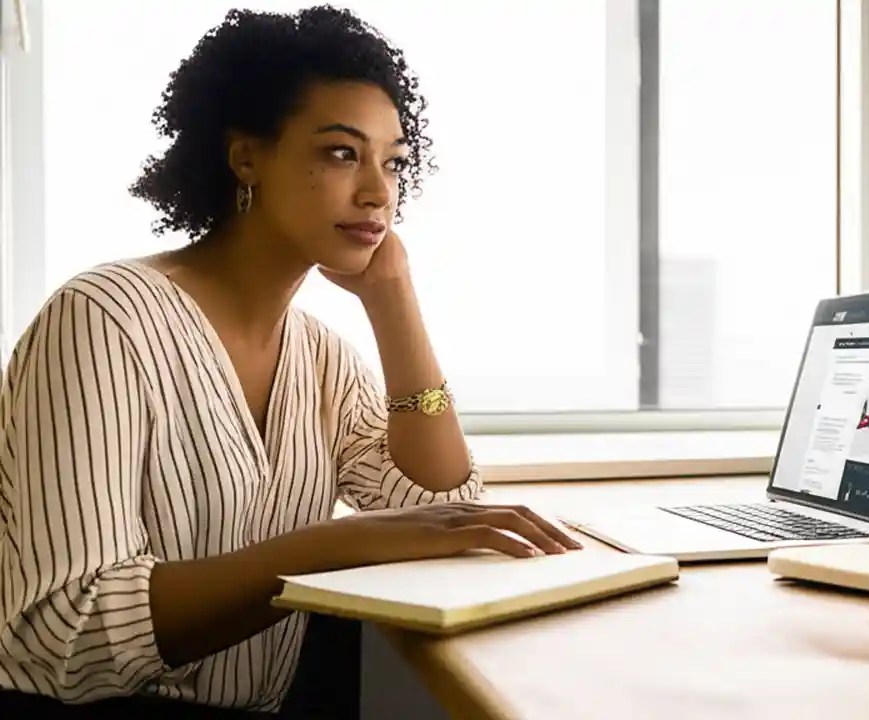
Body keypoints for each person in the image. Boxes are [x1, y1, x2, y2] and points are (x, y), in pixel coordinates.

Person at [0, 6, 581, 716]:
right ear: (247, 157)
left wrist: (393, 302)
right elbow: (73, 631)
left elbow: (439, 511)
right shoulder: (103, 320)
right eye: (342, 152)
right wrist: (335, 545)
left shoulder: (320, 355)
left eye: (393, 162)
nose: (378, 191)